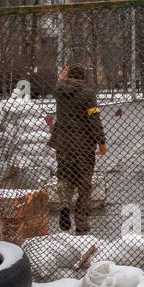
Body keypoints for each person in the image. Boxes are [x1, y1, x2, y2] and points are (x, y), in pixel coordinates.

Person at [49, 65, 106, 233]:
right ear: (84, 77)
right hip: (83, 145)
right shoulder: (88, 94)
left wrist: (61, 77)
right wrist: (101, 141)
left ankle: (65, 205)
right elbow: (94, 119)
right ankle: (81, 222)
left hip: (63, 144)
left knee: (64, 177)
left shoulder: (59, 92)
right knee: (84, 183)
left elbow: (59, 83)